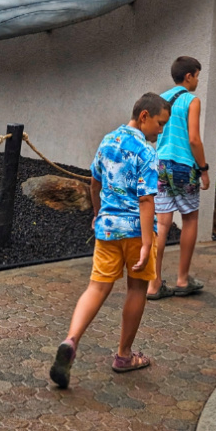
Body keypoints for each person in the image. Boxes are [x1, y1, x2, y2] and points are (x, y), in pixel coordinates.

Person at [49, 92, 170, 389]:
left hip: (108, 229)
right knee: (137, 288)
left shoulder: (107, 141)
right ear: (144, 116)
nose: (161, 131)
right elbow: (146, 200)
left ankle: (71, 339)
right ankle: (124, 356)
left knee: (96, 287)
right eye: (160, 123)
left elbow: (95, 183)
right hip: (137, 232)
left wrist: (97, 213)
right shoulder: (146, 152)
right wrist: (146, 243)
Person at [147, 55, 210, 300]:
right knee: (190, 219)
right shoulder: (192, 101)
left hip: (161, 164)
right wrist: (203, 169)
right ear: (188, 76)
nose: (198, 81)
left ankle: (154, 284)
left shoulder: (161, 100)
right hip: (184, 166)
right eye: (197, 76)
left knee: (162, 224)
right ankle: (183, 280)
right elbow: (194, 139)